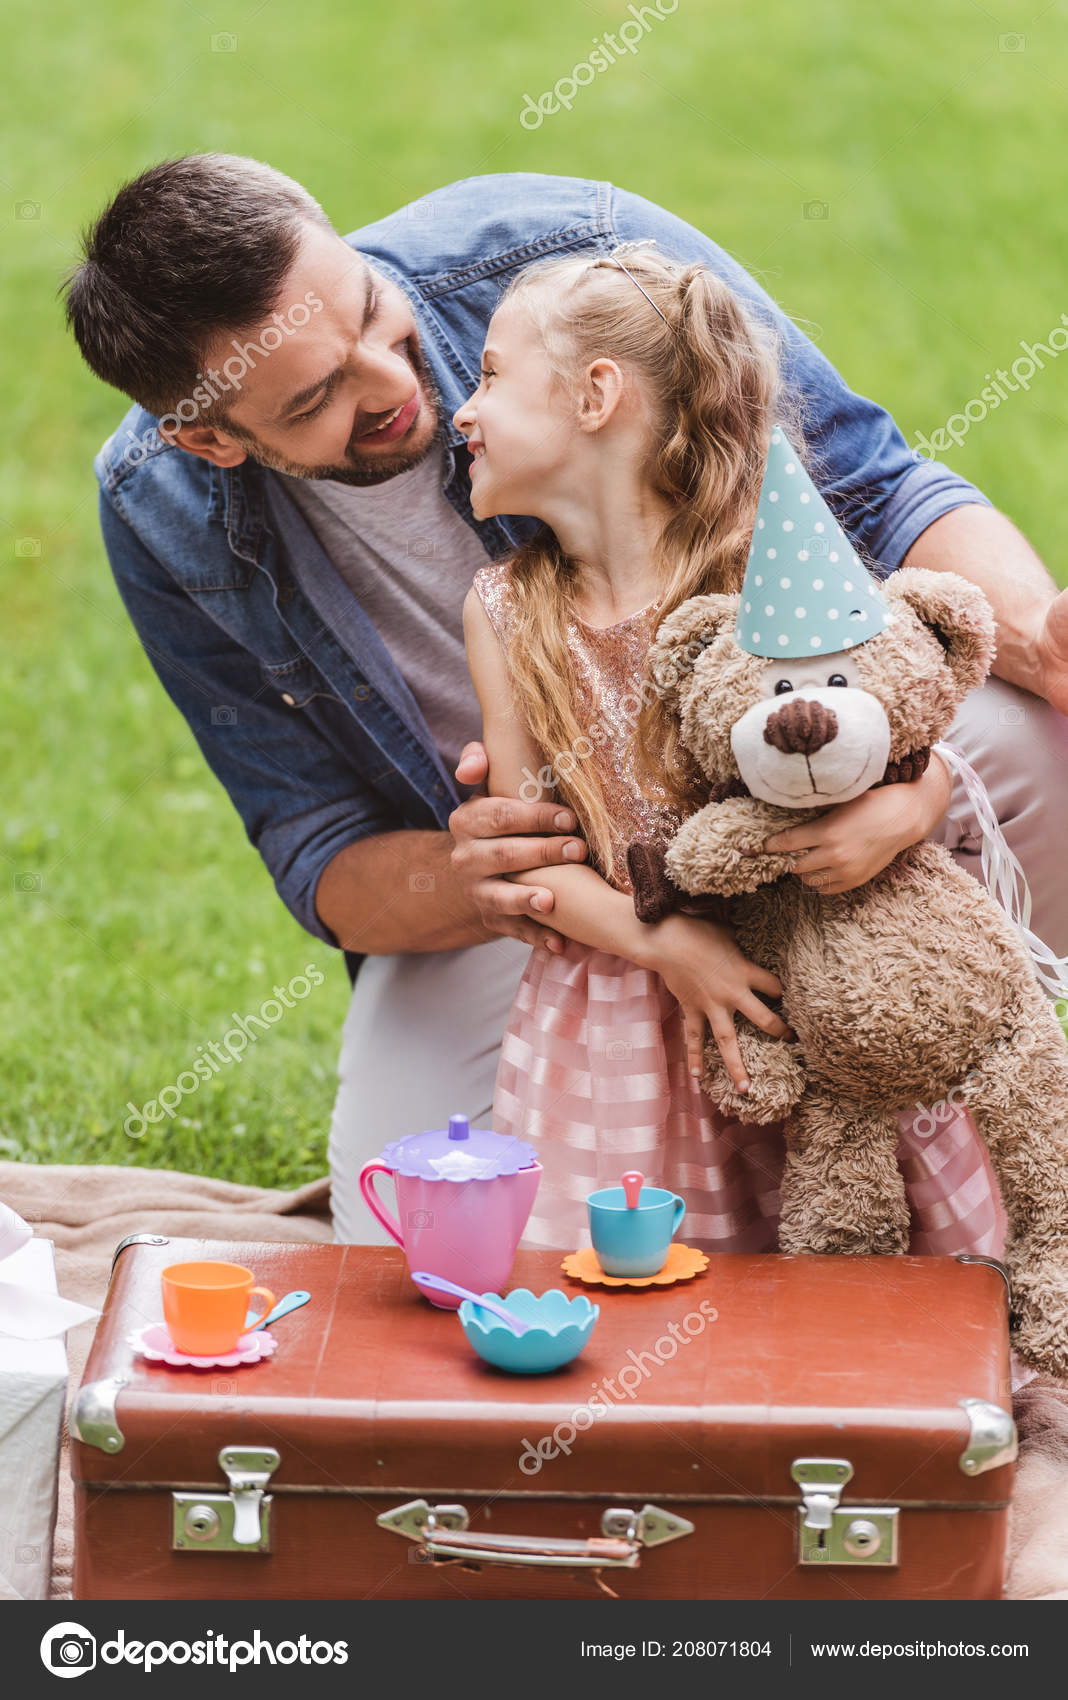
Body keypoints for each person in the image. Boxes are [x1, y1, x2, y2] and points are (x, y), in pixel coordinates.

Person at [63, 154, 1068, 1243]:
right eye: (316, 399)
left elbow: (871, 489)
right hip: (567, 899)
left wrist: (1028, 665)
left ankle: (966, 1033)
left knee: (1032, 736)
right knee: (399, 1220)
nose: (392, 383)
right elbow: (315, 846)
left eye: (364, 306)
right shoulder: (161, 512)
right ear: (210, 437)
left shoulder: (566, 259)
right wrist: (488, 876)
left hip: (799, 774)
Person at [456, 241, 1041, 1256]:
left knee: (871, 1253)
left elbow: (897, 729)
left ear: (598, 394)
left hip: (821, 972)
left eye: (493, 376)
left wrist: (910, 807)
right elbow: (534, 856)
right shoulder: (506, 611)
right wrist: (666, 943)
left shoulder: (767, 566)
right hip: (622, 1004)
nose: (463, 410)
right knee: (643, 1280)